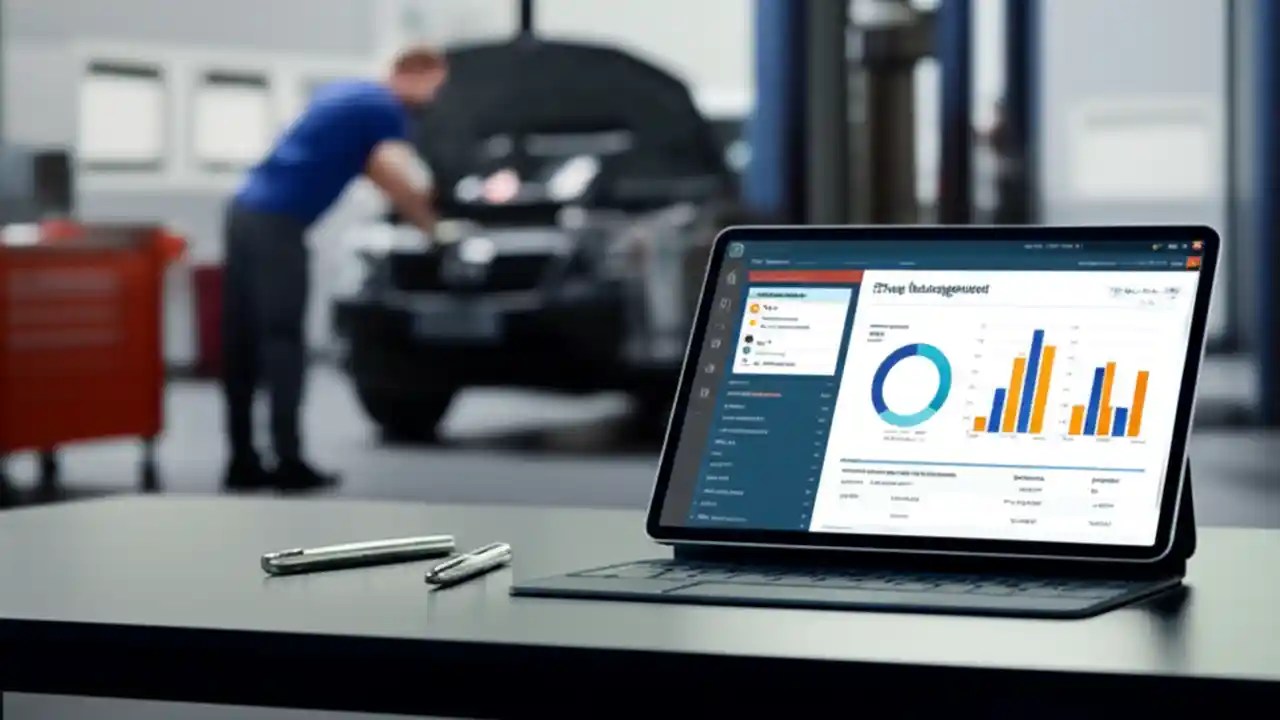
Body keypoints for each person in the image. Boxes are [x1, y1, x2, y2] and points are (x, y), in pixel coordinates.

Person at [222, 46, 448, 491]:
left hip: (243, 213)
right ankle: (289, 461)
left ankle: (242, 461)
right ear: (414, 74)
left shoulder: (349, 94)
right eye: (434, 86)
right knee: (283, 341)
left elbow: (365, 168)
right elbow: (393, 175)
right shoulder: (383, 107)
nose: (433, 98)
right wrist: (433, 229)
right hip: (278, 224)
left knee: (243, 342)